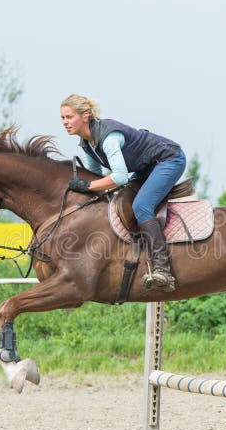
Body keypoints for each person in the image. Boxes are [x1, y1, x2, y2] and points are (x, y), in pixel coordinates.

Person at [60, 94, 186, 292]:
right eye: (63, 118)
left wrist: (87, 186)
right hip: (145, 168)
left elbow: (119, 177)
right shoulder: (87, 144)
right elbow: (97, 177)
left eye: (69, 117)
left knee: (141, 206)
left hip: (169, 160)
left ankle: (163, 269)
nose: (65, 122)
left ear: (85, 116)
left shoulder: (108, 137)